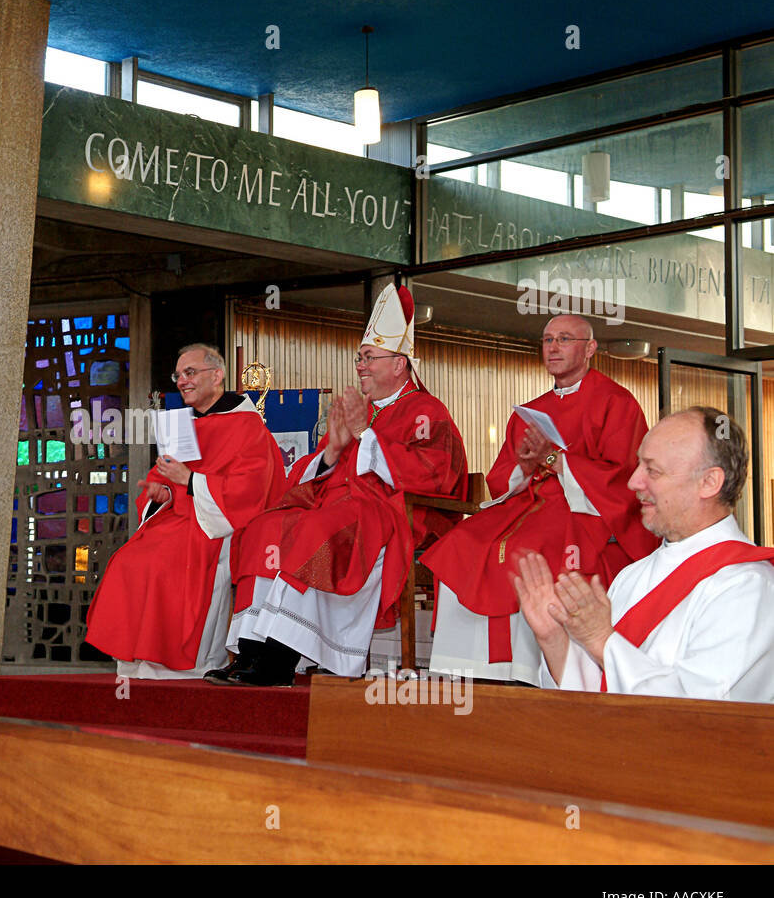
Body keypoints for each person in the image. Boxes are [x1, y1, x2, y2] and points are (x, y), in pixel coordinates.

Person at [212, 284, 468, 686]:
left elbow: (434, 474)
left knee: (316, 529)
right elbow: (322, 477)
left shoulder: (426, 411)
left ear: (400, 364)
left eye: (369, 358)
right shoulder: (361, 411)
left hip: (396, 515)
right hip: (342, 507)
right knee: (265, 528)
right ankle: (251, 649)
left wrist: (367, 434)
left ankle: (280, 659)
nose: (360, 366)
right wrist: (332, 450)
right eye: (359, 358)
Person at [424, 314, 657, 685]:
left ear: (590, 348)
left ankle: (523, 670)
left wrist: (557, 460)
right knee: (461, 542)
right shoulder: (531, 412)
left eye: (564, 339)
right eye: (548, 340)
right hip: (529, 502)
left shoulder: (617, 403)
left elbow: (623, 478)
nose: (553, 347)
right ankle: (467, 667)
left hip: (582, 509)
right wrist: (525, 465)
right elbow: (502, 477)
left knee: (523, 548)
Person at [513, 407, 774, 701]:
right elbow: (598, 695)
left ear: (709, 482)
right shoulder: (632, 575)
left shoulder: (747, 585)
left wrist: (602, 640)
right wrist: (554, 640)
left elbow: (701, 712)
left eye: (653, 470)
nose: (633, 482)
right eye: (639, 465)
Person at [84, 344, 286, 679]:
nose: (181, 381)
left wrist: (190, 482)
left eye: (190, 373)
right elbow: (162, 475)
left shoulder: (248, 427)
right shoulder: (181, 425)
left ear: (217, 375)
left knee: (164, 563)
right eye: (178, 375)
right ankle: (138, 663)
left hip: (218, 525)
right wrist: (159, 492)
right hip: (178, 518)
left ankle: (185, 667)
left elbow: (248, 492)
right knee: (129, 560)